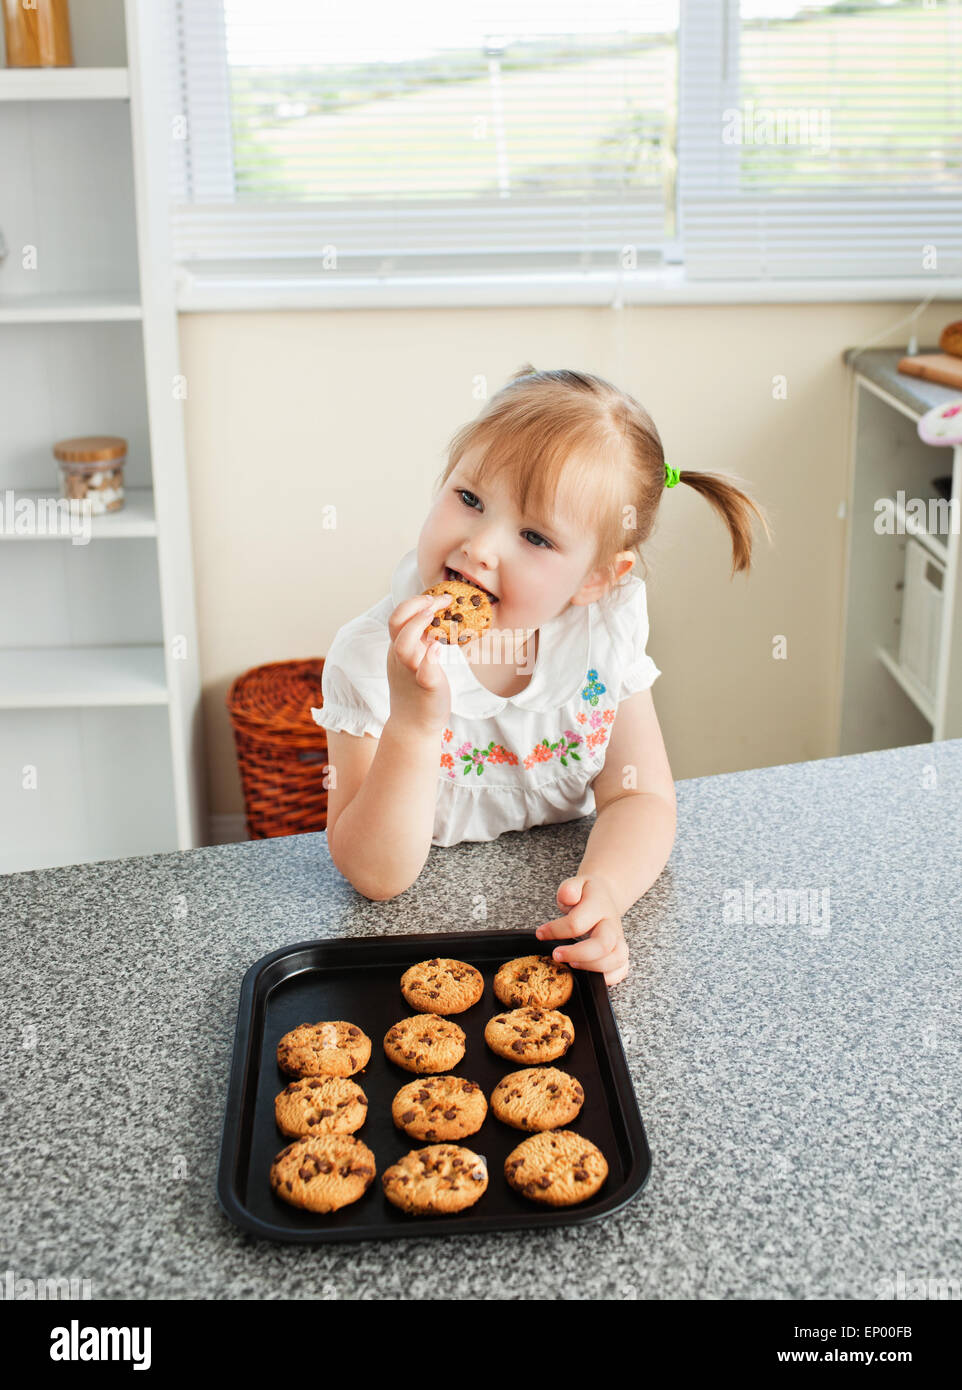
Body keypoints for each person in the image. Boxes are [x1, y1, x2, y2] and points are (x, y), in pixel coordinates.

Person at [313, 365, 773, 985]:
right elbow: (373, 875)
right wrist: (416, 730)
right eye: (470, 499)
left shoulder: (602, 639)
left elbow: (640, 797)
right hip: (408, 948)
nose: (481, 546)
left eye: (534, 536)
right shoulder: (371, 657)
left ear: (595, 579)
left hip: (548, 932)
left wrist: (606, 890)